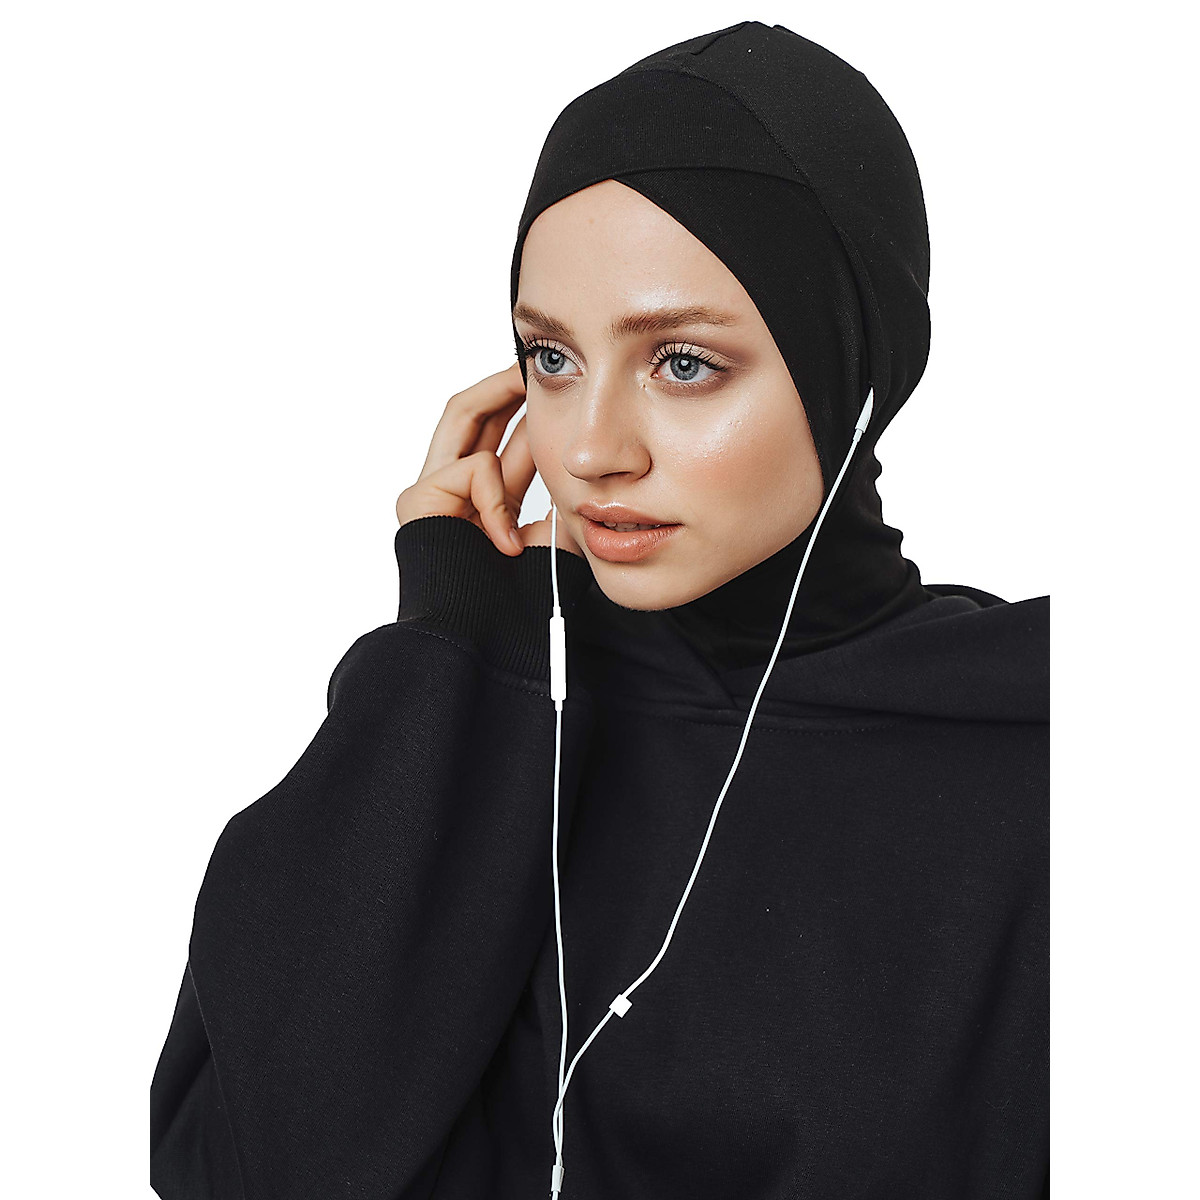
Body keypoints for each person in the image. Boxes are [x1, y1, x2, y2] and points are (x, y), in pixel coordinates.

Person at [150, 20, 1049, 1200]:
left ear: (855, 372)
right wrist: (456, 642)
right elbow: (238, 1167)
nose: (588, 450)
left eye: (683, 363)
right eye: (552, 360)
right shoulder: (490, 711)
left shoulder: (1037, 752)